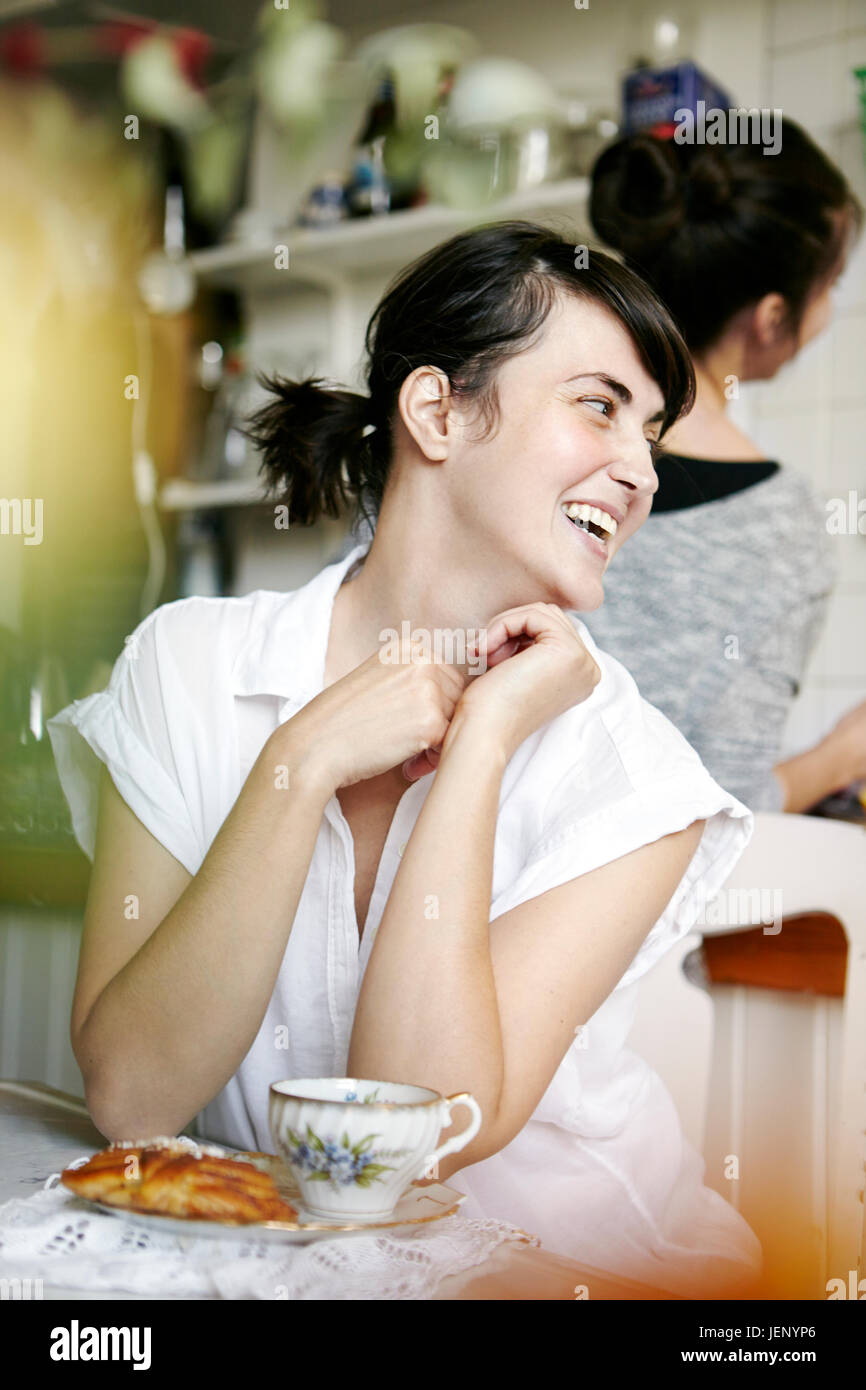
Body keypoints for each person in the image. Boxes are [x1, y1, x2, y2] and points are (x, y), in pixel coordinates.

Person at [48, 220, 762, 1298]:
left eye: (650, 434)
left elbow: (414, 1124)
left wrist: (477, 748)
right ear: (436, 411)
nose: (640, 472)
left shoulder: (635, 772)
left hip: (577, 1274)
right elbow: (133, 1096)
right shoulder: (189, 667)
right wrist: (300, 760)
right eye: (598, 407)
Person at [585, 118, 866, 814]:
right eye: (828, 284)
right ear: (772, 317)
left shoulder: (528, 419)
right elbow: (719, 810)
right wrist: (841, 757)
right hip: (622, 914)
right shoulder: (780, 523)